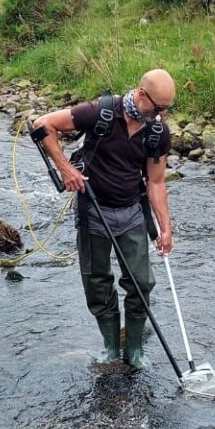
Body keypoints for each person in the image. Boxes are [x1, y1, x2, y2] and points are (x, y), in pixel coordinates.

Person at [33, 70, 175, 369]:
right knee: (98, 283)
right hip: (93, 213)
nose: (161, 114)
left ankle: (134, 351)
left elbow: (156, 182)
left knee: (140, 283)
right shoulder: (101, 112)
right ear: (140, 93)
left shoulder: (157, 133)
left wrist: (165, 228)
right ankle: (111, 347)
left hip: (132, 214)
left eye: (166, 109)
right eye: (157, 107)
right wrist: (65, 169)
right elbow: (43, 124)